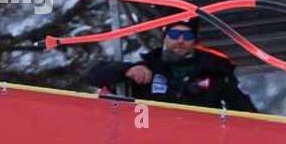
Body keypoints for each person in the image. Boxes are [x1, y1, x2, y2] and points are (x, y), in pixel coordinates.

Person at [84, 18, 258, 111]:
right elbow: (92, 75)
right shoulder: (148, 67)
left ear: (195, 41)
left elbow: (246, 114)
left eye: (187, 36)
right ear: (165, 37)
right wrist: (126, 69)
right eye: (174, 34)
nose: (180, 41)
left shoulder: (217, 73)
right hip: (148, 141)